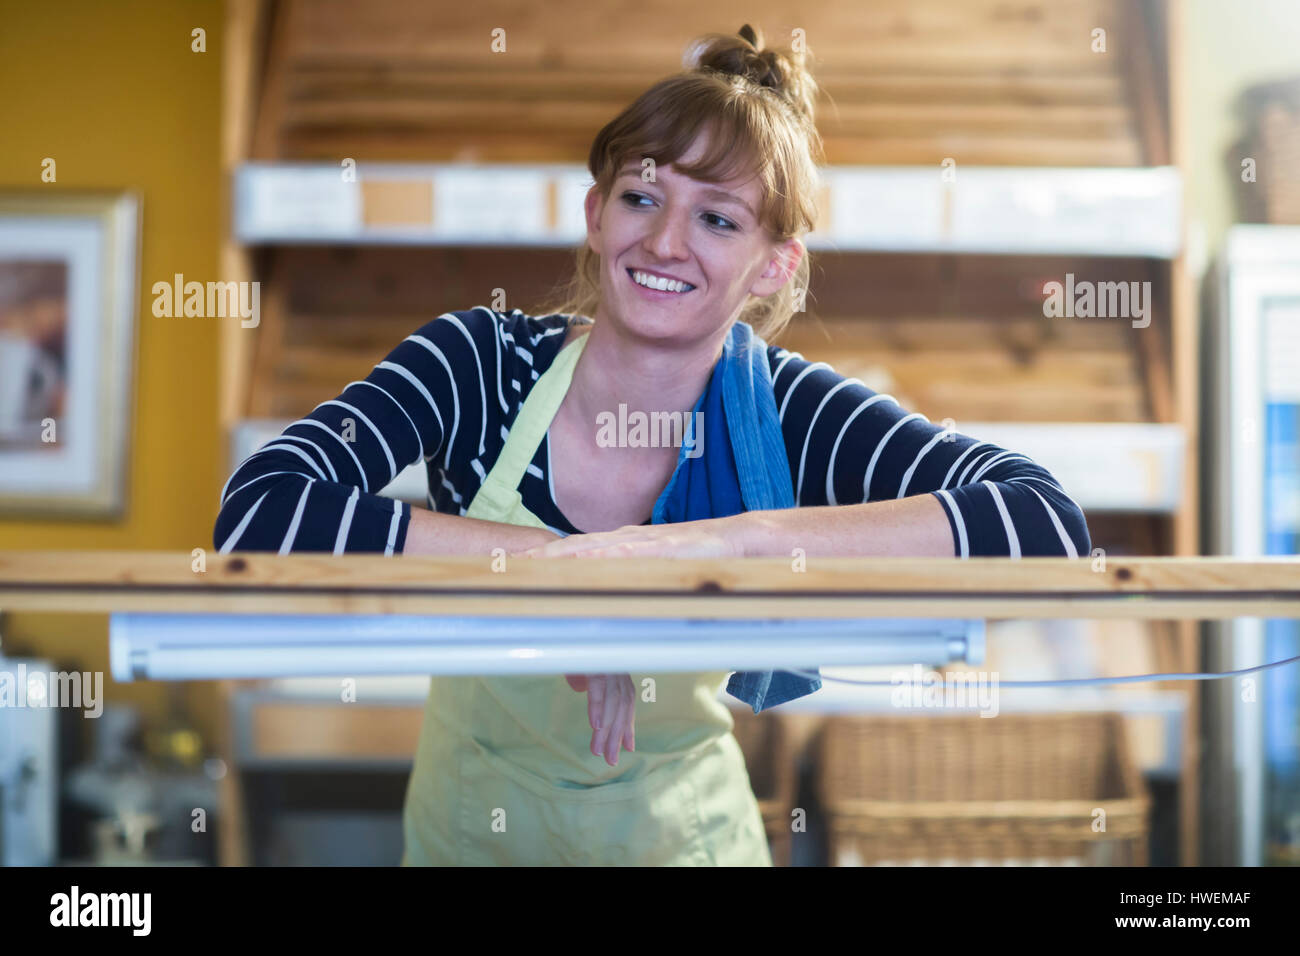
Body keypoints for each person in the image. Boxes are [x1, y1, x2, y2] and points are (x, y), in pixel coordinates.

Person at [213, 24, 1091, 866]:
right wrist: (565, 577)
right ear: (597, 214)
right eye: (642, 197)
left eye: (718, 219)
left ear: (774, 264)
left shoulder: (780, 414)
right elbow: (259, 511)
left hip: (683, 846)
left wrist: (726, 541)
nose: (665, 241)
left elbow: (1047, 527)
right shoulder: (480, 367)